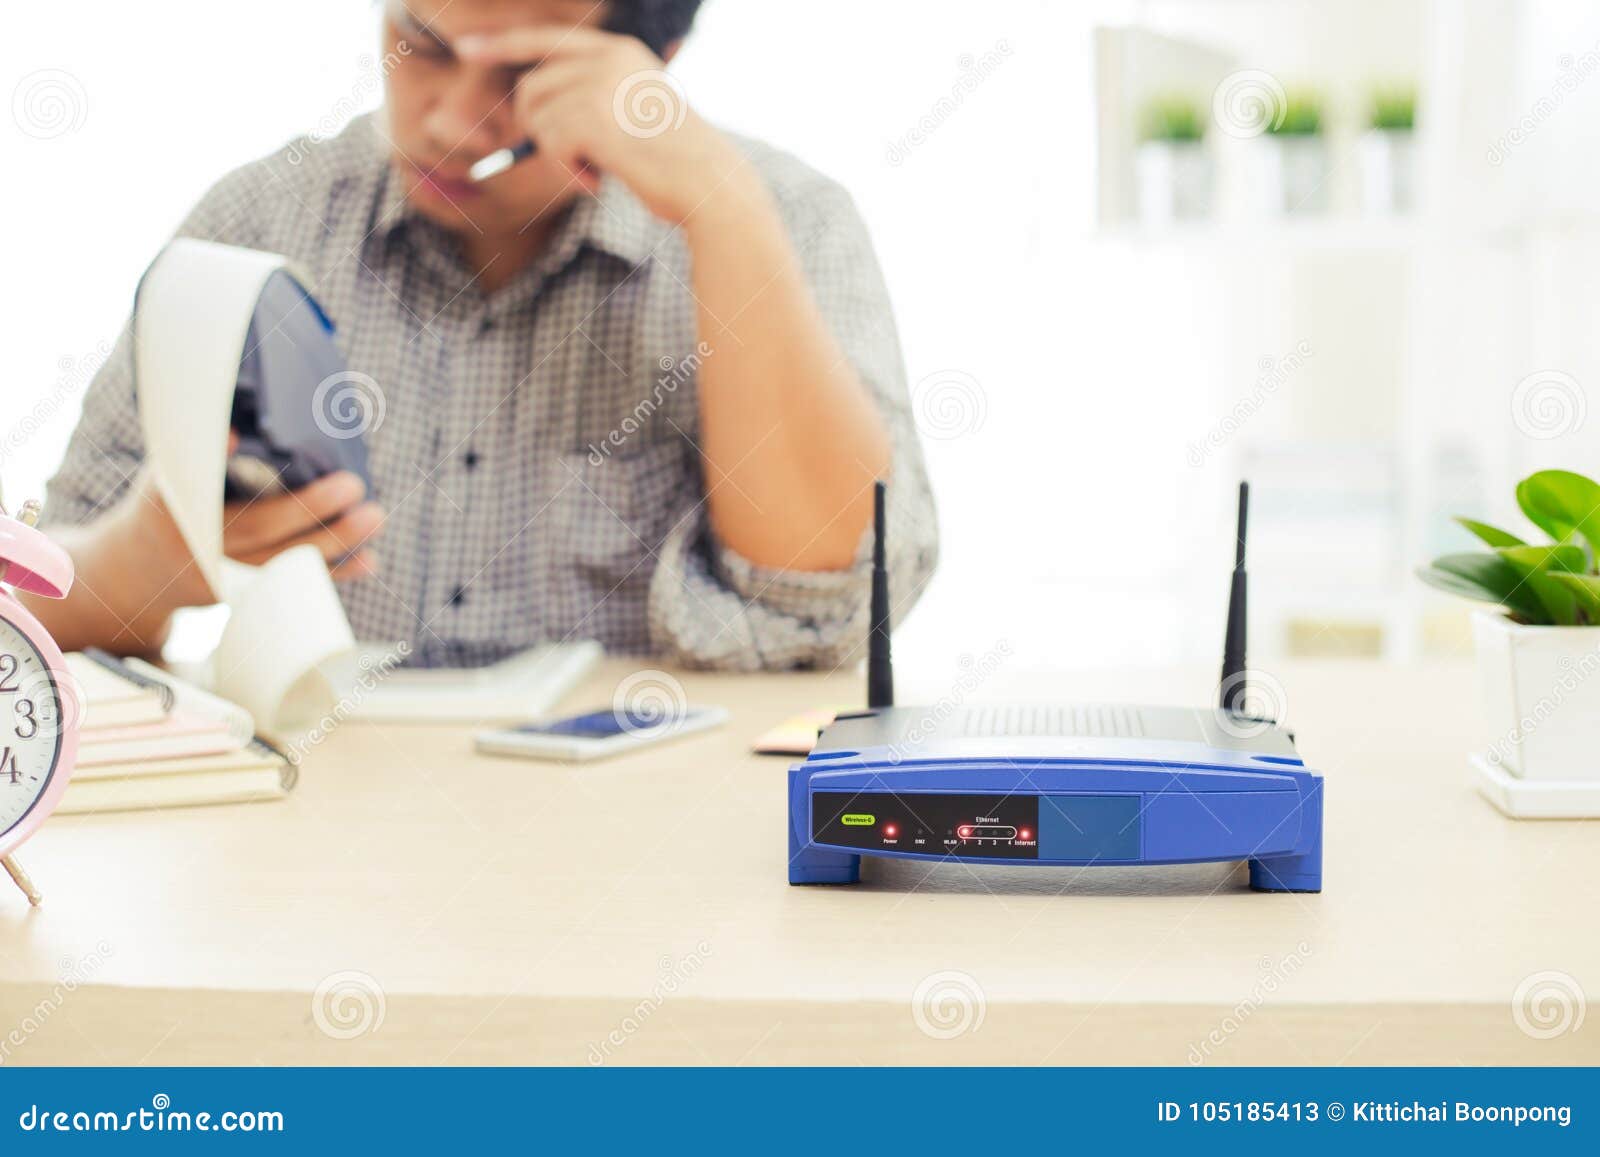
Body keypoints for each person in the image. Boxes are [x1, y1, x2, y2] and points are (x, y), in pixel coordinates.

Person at [28, 0, 938, 671]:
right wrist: (145, 557)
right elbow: (29, 606)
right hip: (326, 864)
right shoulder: (259, 220)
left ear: (654, 59)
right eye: (419, 45)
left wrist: (724, 210)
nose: (453, 124)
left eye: (519, 74)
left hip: (659, 856)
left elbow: (834, 605)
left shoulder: (790, 218)